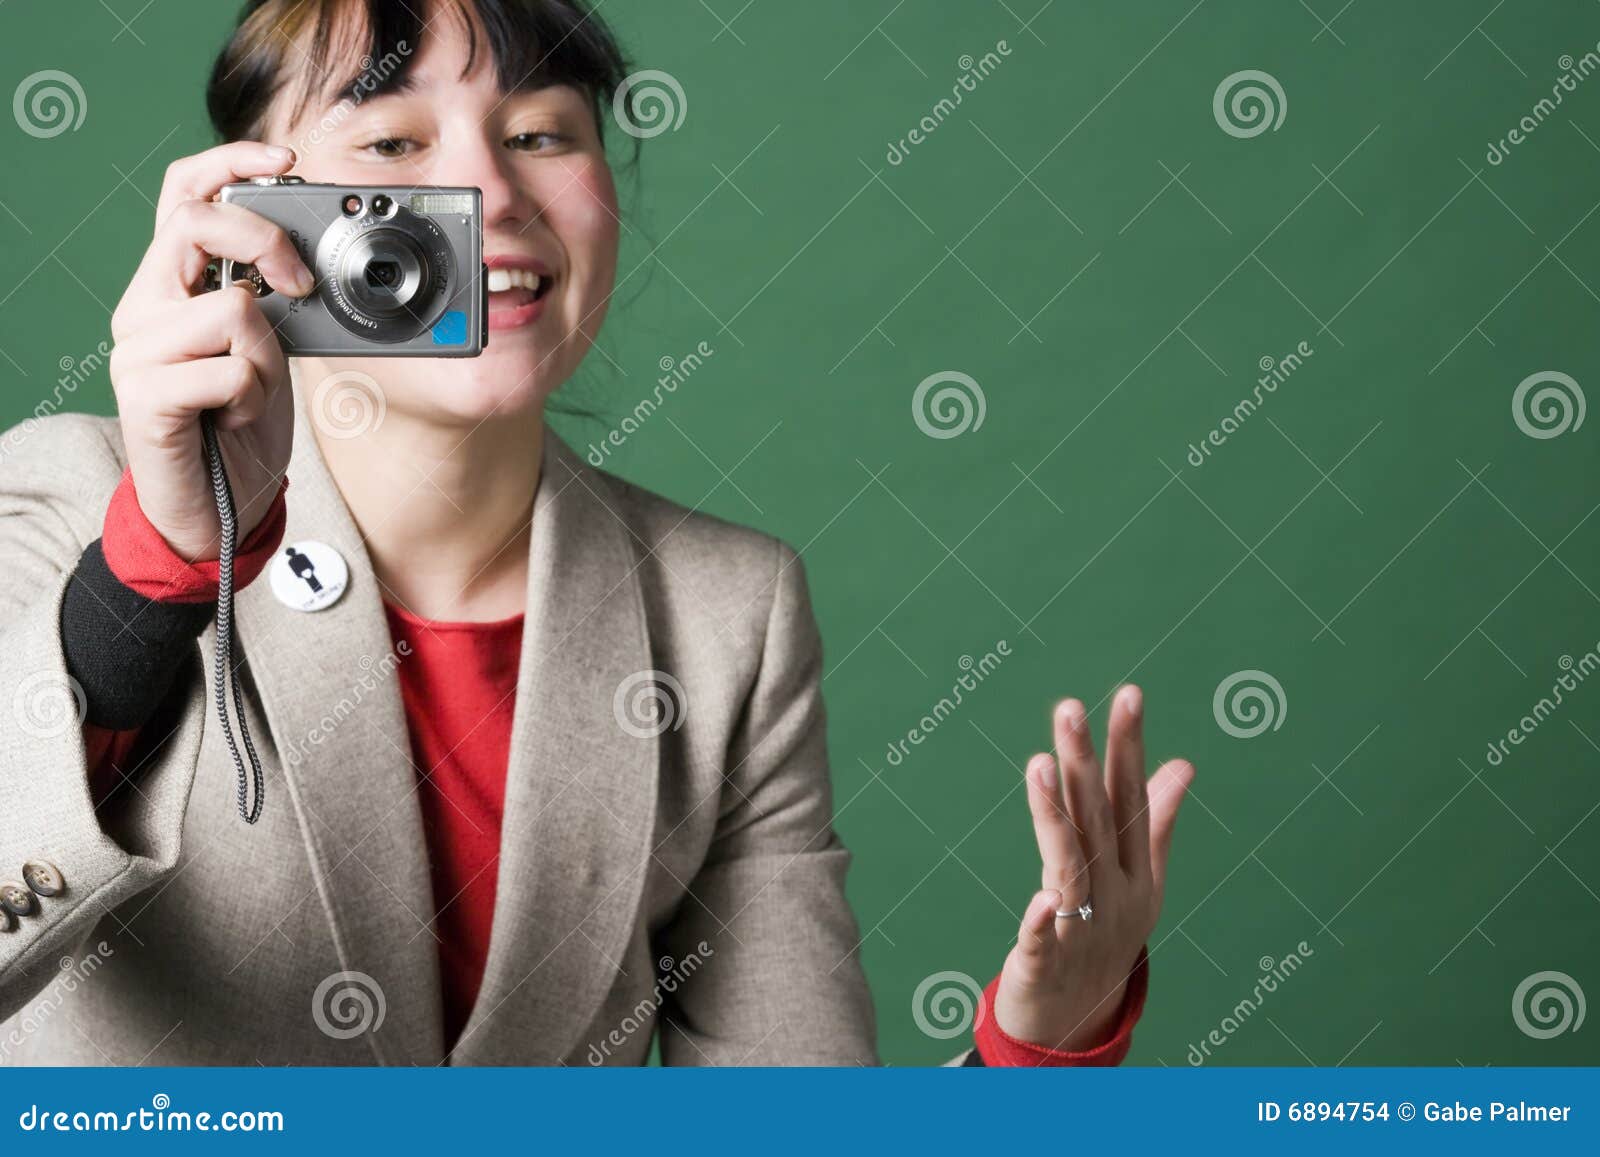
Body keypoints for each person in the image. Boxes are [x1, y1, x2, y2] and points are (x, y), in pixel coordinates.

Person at [0, 0, 1194, 1066]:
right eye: (393, 145)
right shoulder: (65, 497)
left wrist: (1032, 1053)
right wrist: (157, 562)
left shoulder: (728, 615)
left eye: (540, 134)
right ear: (253, 216)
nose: (491, 196)